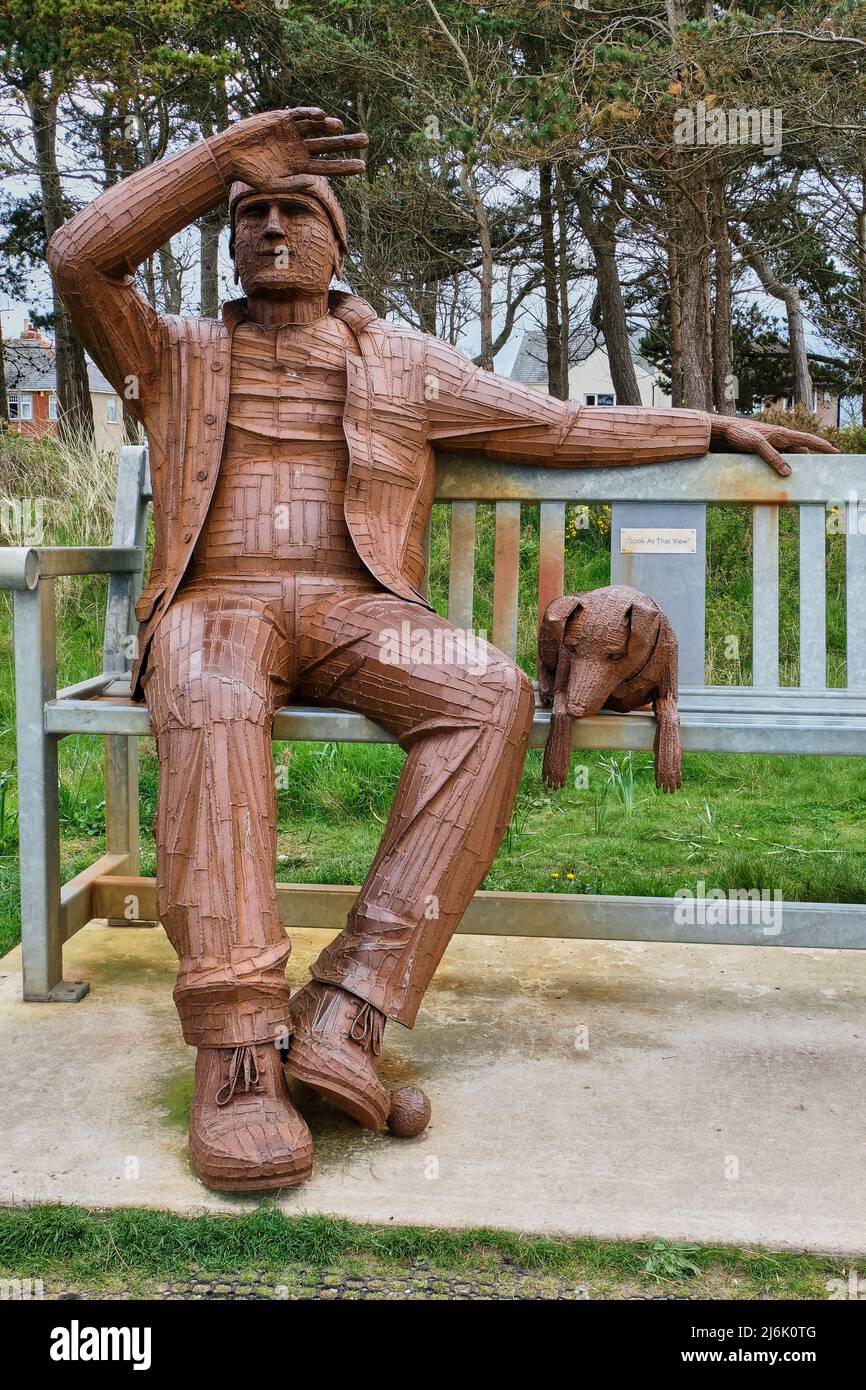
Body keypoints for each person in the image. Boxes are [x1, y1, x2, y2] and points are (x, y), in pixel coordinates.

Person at [47, 108, 835, 1191]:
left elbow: (557, 423)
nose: (271, 228)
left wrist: (703, 424)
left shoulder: (401, 364)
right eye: (249, 214)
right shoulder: (170, 352)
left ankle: (347, 1013)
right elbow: (79, 254)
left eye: (295, 210)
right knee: (209, 689)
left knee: (487, 691)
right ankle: (236, 1050)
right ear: (225, 240)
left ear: (336, 242)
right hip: (218, 602)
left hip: (355, 606)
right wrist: (220, 159)